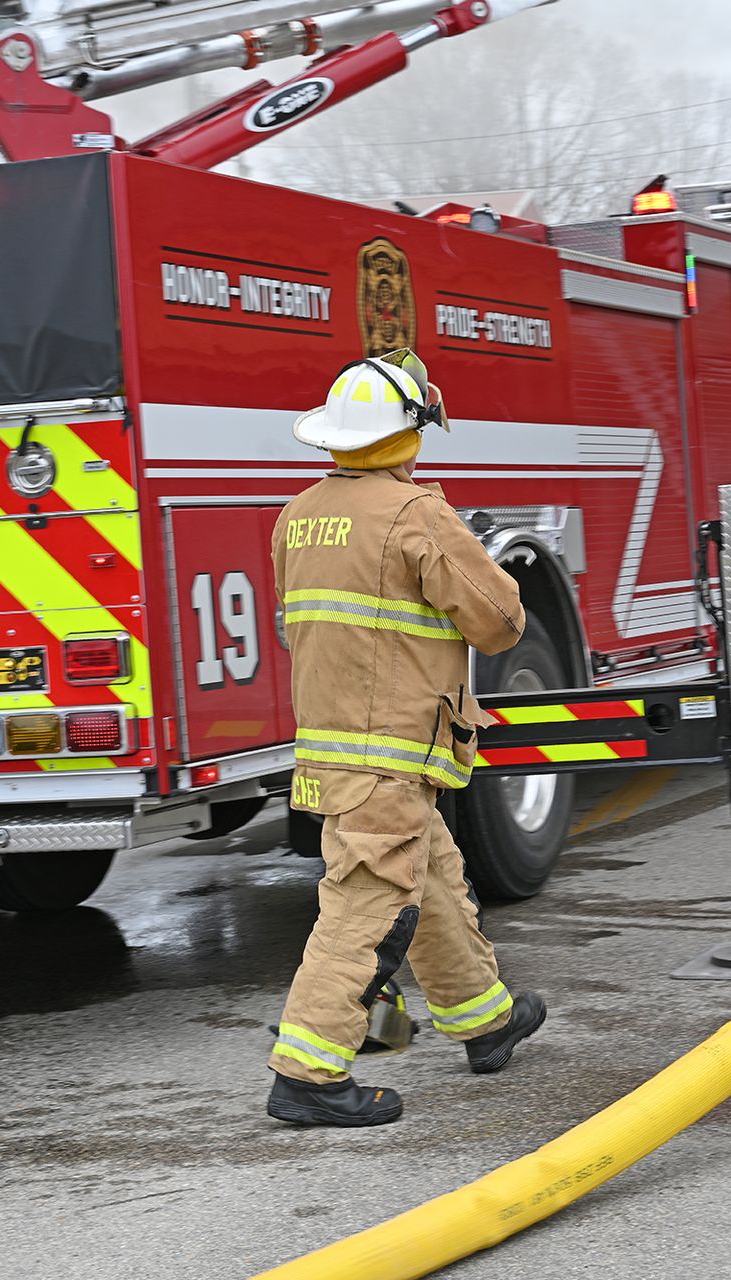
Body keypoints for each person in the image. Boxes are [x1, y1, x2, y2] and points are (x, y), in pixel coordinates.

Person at [266, 350, 545, 1127]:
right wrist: (477, 556)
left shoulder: (298, 515)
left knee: (434, 882)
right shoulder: (416, 515)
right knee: (367, 904)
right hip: (389, 751)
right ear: (408, 436)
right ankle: (309, 1075)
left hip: (332, 750)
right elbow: (500, 624)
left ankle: (485, 1024)